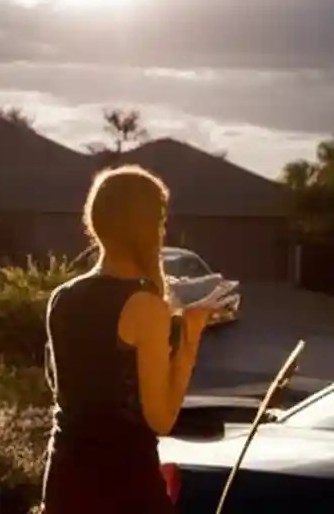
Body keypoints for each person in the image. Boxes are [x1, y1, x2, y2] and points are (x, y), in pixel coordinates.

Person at [40, 165, 216, 514]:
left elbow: (63, 388)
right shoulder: (144, 306)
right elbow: (161, 419)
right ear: (147, 226)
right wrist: (190, 339)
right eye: (160, 219)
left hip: (65, 479)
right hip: (123, 485)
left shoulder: (62, 296)